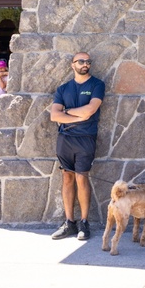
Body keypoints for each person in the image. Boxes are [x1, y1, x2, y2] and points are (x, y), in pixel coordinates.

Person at [49, 51, 105, 242]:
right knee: (67, 178)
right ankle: (69, 223)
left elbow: (90, 111)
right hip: (65, 139)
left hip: (86, 138)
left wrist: (66, 112)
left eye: (88, 62)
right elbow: (54, 115)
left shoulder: (97, 84)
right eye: (81, 61)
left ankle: (84, 223)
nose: (85, 64)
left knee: (82, 178)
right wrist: (75, 114)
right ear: (72, 65)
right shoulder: (63, 88)